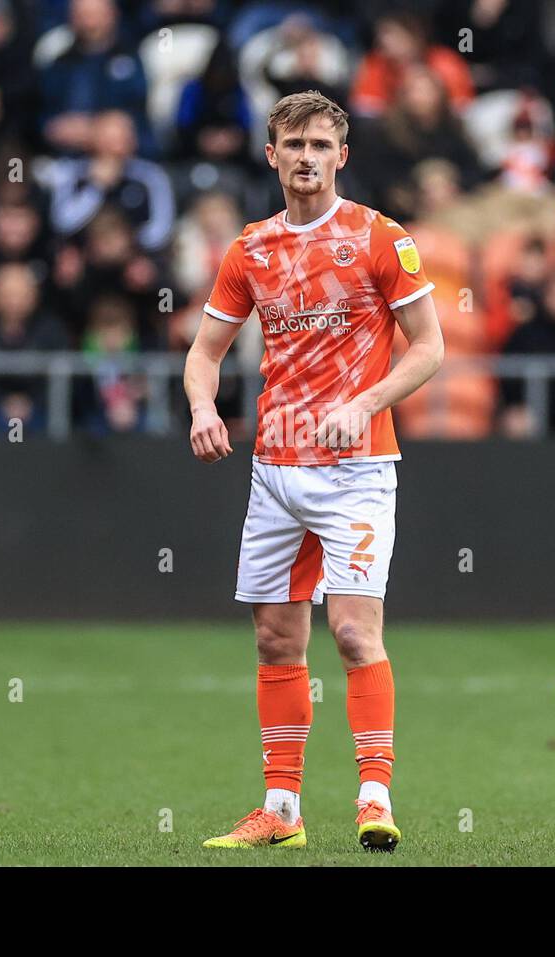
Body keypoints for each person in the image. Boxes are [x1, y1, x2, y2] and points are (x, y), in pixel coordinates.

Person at [184, 91, 444, 852]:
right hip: (274, 468)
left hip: (357, 468)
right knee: (275, 640)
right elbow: (204, 354)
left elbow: (428, 347)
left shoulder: (377, 237)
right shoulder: (251, 248)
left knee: (356, 632)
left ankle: (373, 796)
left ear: (342, 154)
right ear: (271, 154)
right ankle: (282, 810)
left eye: (321, 145)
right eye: (293, 144)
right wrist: (203, 409)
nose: (306, 157)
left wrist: (364, 403)